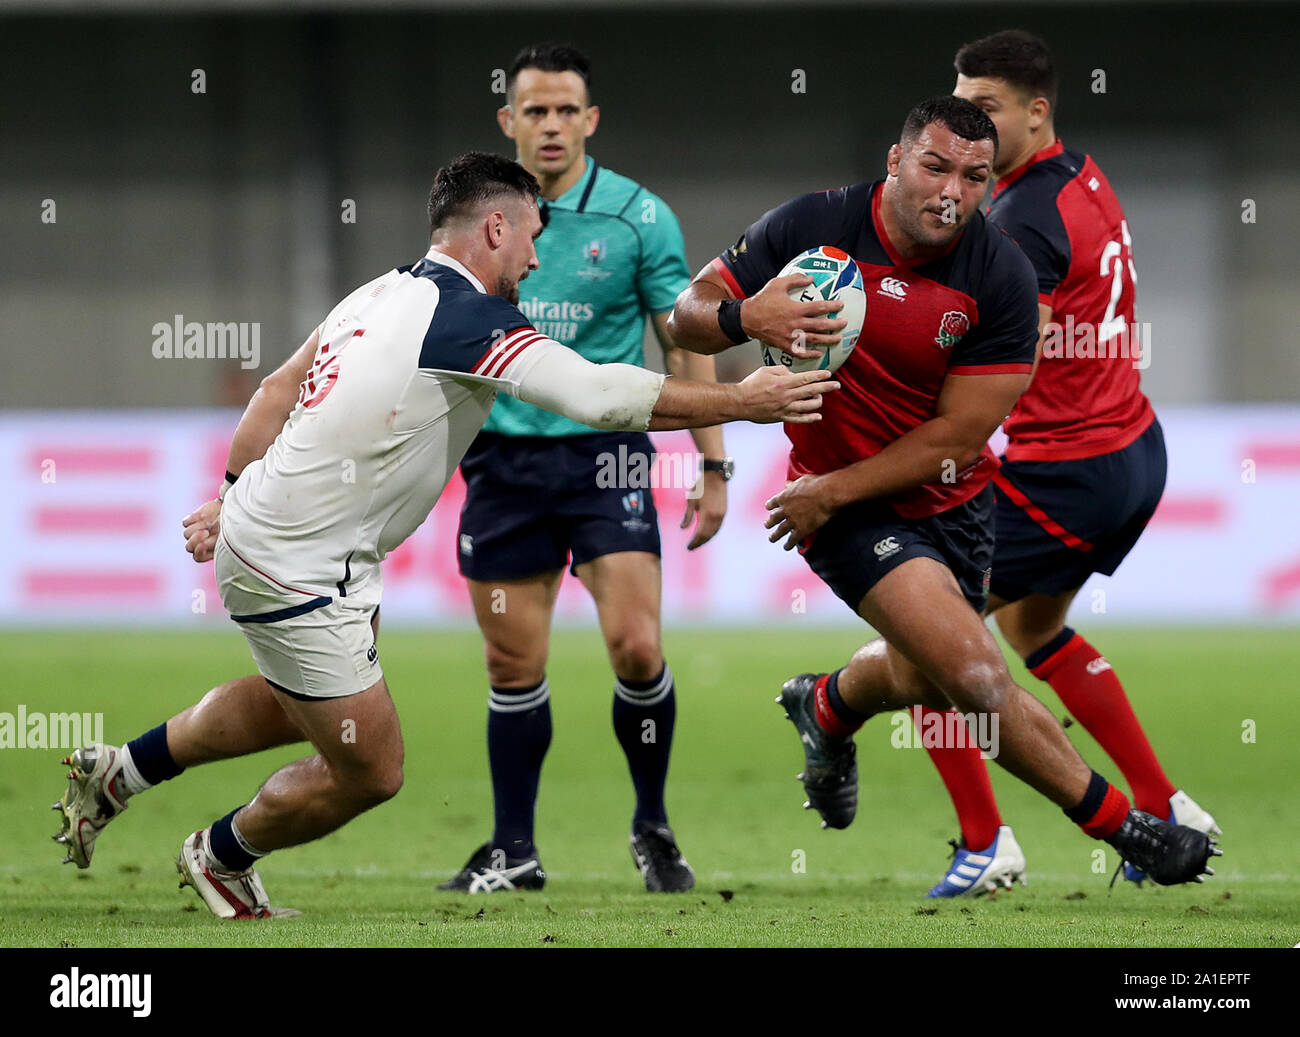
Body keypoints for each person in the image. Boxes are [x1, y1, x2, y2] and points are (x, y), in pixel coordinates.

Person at [49, 152, 835, 919]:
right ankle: (221, 854)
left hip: (299, 545)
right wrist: (743, 400)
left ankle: (123, 771)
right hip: (299, 568)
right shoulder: (466, 319)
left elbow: (275, 389)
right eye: (530, 238)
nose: (535, 259)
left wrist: (230, 495)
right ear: (495, 227)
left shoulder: (381, 293)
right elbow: (597, 395)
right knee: (370, 769)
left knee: (299, 705)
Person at [668, 96, 1220, 888]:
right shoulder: (811, 223)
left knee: (922, 672)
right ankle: (1129, 829)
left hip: (952, 503)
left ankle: (826, 706)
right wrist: (741, 314)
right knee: (975, 674)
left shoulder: (999, 274)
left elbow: (958, 438)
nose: (952, 192)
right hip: (852, 512)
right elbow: (685, 317)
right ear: (895, 162)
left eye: (974, 176)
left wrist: (830, 491)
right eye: (934, 167)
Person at [892, 29, 1219, 897]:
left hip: (1063, 470)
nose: (972, 122)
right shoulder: (1081, 177)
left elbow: (1013, 356)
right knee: (1033, 630)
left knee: (930, 645)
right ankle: (1161, 804)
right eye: (961, 101)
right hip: (1132, 451)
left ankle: (983, 840)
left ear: (1038, 112)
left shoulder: (1022, 215)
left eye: (988, 108)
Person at [439, 44, 728, 896]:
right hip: (504, 462)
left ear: (591, 119)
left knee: (637, 646)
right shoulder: (479, 223)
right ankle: (512, 848)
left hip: (607, 458)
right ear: (509, 122)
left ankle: (653, 826)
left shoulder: (640, 218)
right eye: (536, 111)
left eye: (568, 110)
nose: (553, 125)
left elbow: (686, 336)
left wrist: (713, 466)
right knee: (511, 666)